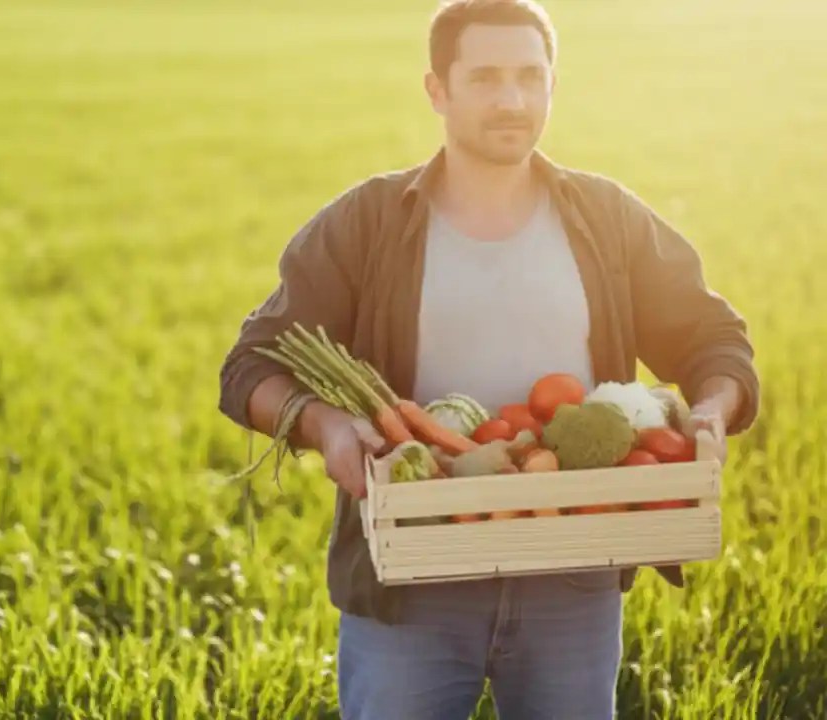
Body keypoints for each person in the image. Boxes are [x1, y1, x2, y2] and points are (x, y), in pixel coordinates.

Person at [215, 1, 761, 718]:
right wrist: (327, 427)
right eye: (486, 78)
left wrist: (711, 415)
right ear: (437, 90)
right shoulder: (368, 222)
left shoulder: (606, 219)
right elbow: (250, 367)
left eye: (531, 77)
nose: (512, 99)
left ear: (553, 85)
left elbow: (714, 341)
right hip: (412, 584)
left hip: (573, 580)